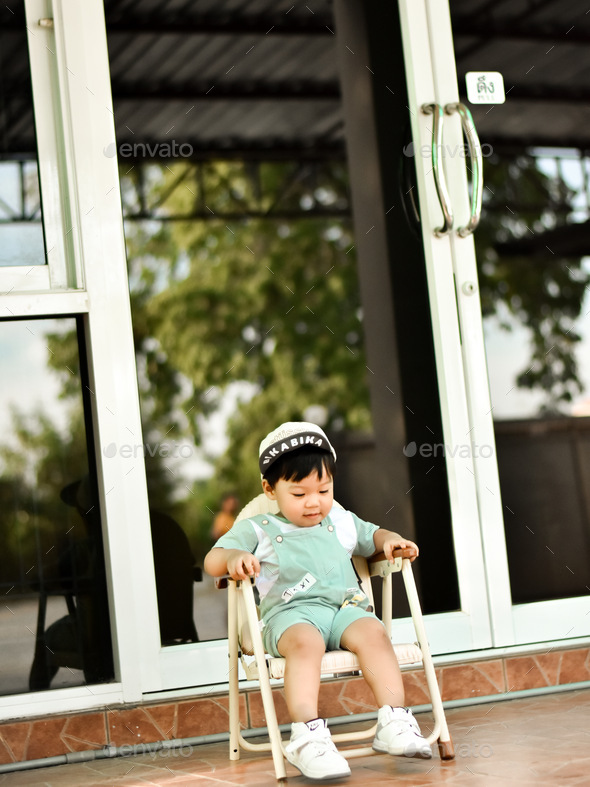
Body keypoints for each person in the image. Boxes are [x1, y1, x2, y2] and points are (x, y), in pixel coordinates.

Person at [204, 421, 431, 780]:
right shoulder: (258, 529)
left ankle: (394, 720)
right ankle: (307, 735)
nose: (314, 502)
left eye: (324, 490)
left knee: (374, 633)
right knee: (305, 643)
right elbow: (212, 559)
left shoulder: (340, 521)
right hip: (290, 616)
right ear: (270, 489)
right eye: (299, 494)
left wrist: (390, 541)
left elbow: (374, 535)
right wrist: (234, 558)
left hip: (345, 609)